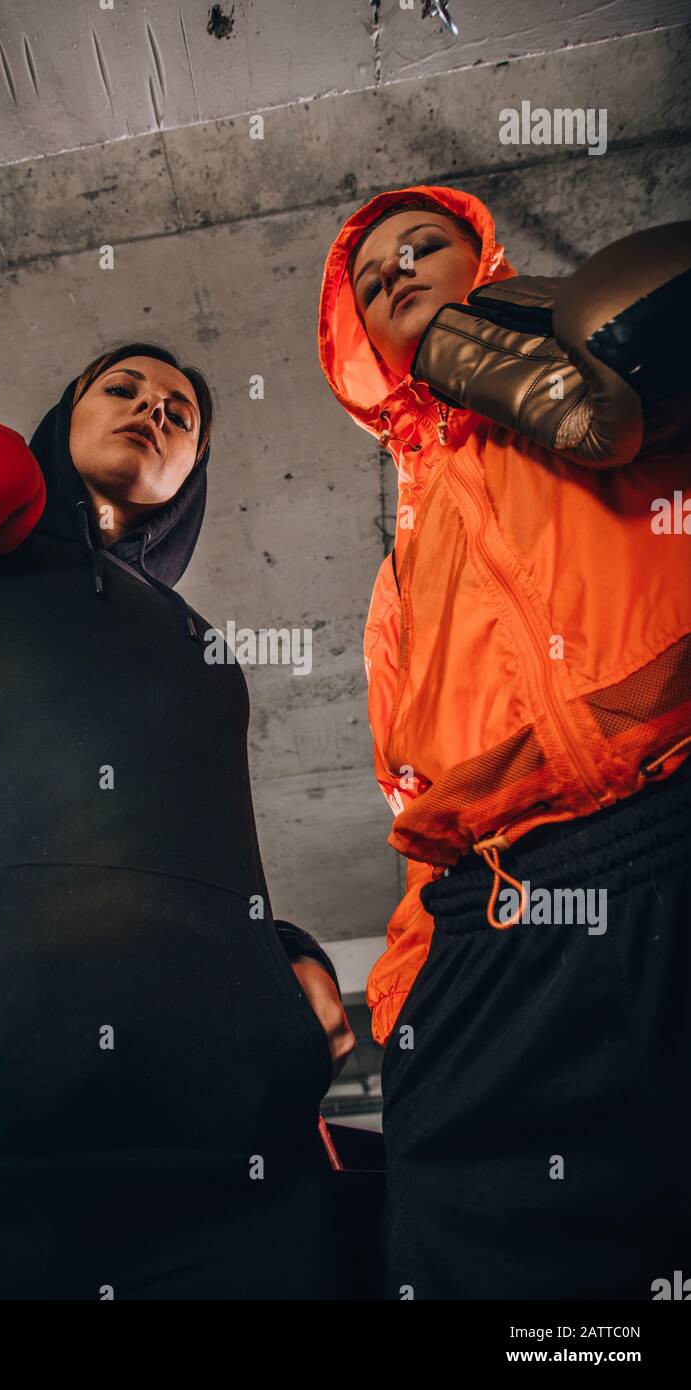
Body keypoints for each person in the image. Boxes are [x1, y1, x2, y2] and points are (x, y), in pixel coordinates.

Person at [0, 341, 360, 1300]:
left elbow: (198, 859)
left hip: (224, 1163)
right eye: (123, 388)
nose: (151, 408)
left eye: (181, 412)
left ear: (195, 470)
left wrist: (283, 957)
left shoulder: (200, 647)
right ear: (61, 417)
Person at [317, 185, 691, 1298]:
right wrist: (407, 996)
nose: (393, 272)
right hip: (499, 922)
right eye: (369, 277)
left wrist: (506, 343)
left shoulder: (596, 362)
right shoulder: (398, 572)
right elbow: (412, 804)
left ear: (482, 258)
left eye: (419, 246)